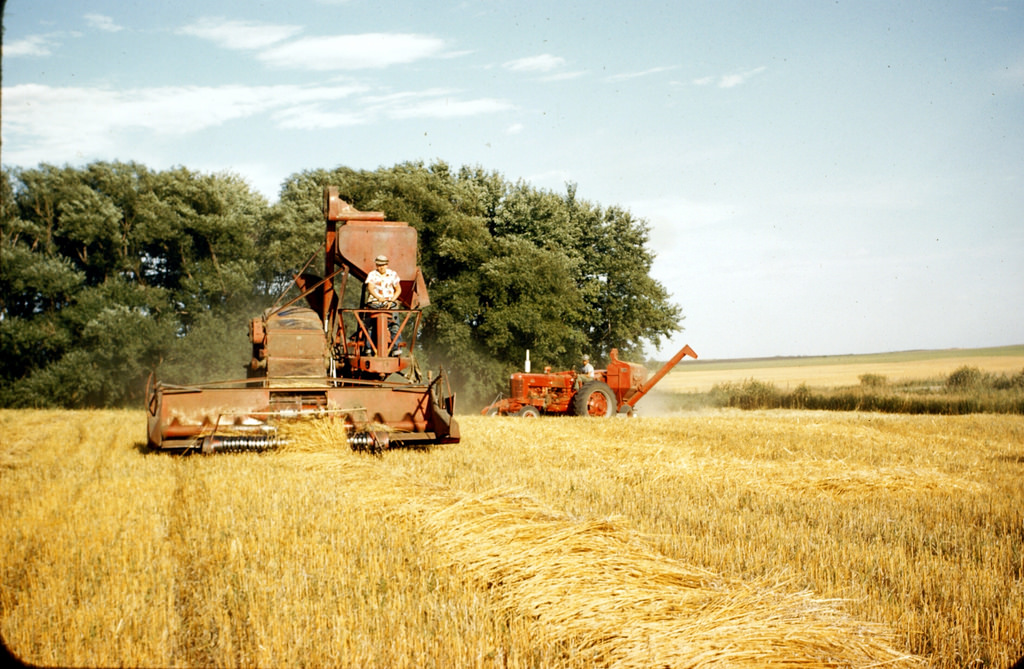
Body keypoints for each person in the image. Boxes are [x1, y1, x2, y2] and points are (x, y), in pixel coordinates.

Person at [364, 255, 401, 353]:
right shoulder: (372, 274)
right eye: (379, 265)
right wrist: (378, 297)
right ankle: (369, 348)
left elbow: (398, 290)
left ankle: (395, 348)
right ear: (376, 265)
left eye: (383, 265)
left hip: (390, 303)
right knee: (370, 325)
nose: (382, 267)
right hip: (375, 303)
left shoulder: (393, 274)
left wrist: (392, 301)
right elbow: (370, 288)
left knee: (395, 325)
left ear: (387, 265)